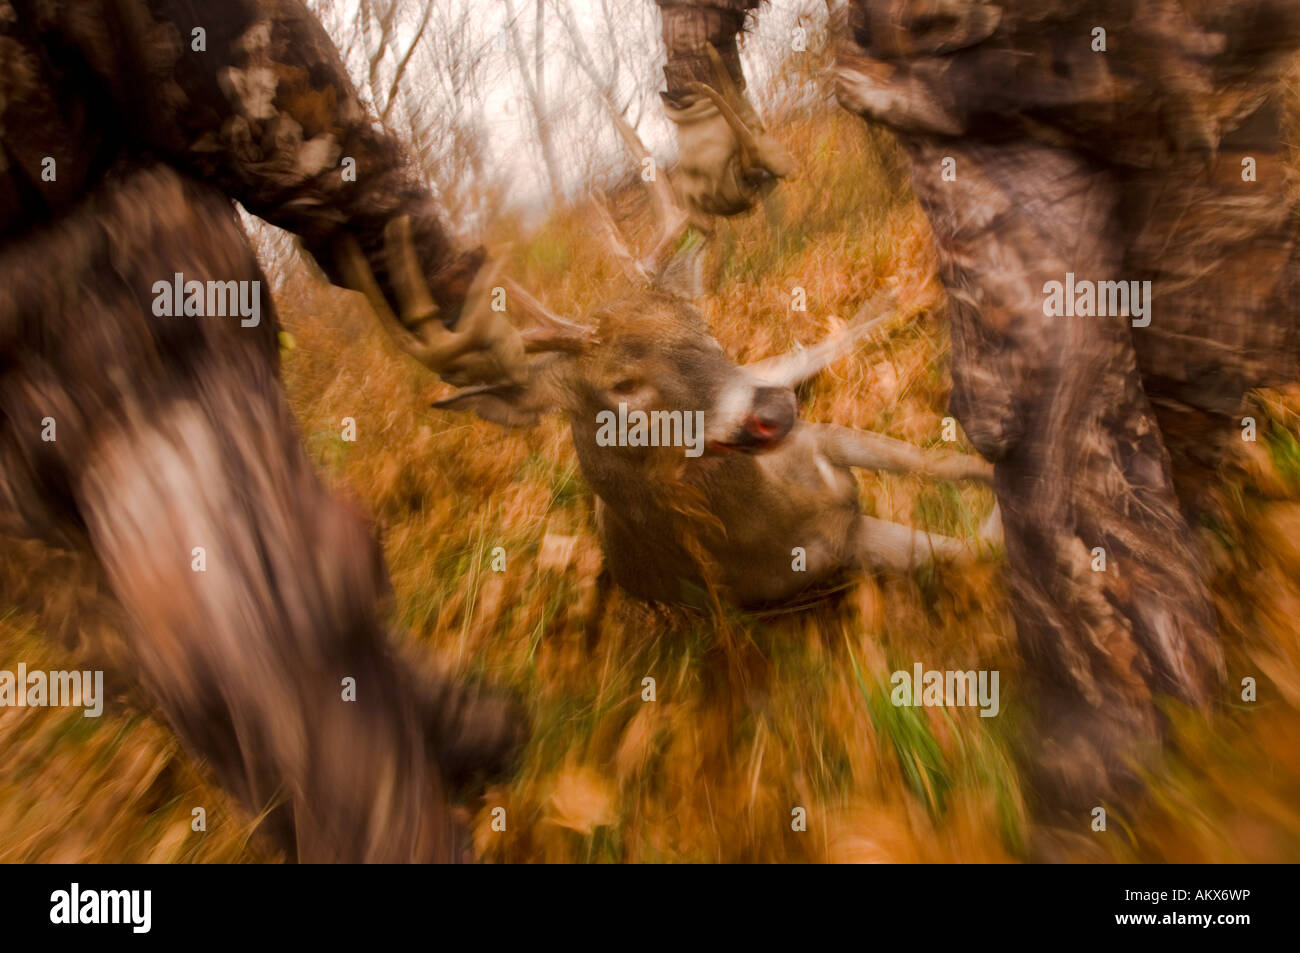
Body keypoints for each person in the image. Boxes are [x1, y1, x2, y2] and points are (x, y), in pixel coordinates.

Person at [654, 0, 1300, 828]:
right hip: (981, 70)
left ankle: (1184, 585)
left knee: (1202, 364)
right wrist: (696, 70)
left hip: (1211, 57)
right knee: (1051, 390)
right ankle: (1114, 764)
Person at [0, 0, 525, 862]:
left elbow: (220, 48)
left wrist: (424, 265)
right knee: (200, 675)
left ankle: (376, 722)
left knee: (264, 649)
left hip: (125, 325)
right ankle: (379, 727)